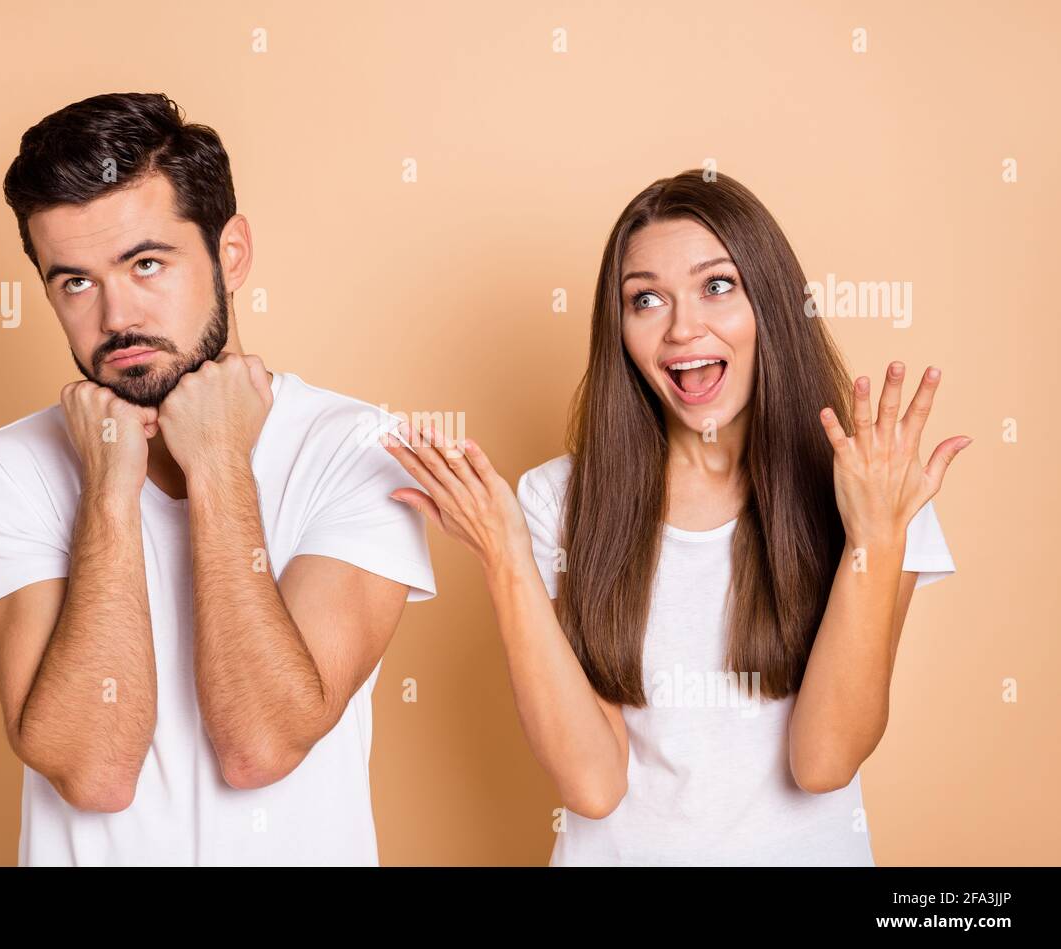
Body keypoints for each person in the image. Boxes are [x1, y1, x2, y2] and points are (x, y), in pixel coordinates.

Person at [380, 170, 967, 865]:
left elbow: (825, 762)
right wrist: (506, 559)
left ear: (770, 305)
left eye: (717, 285)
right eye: (646, 299)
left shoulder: (870, 490)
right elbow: (593, 785)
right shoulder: (557, 500)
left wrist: (875, 536)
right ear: (620, 329)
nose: (683, 327)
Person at [0, 92, 436, 865]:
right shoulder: (9, 469)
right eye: (74, 282)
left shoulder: (356, 448)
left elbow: (263, 744)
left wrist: (217, 464)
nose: (115, 316)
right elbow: (92, 771)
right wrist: (109, 488)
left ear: (231, 253)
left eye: (147, 264)